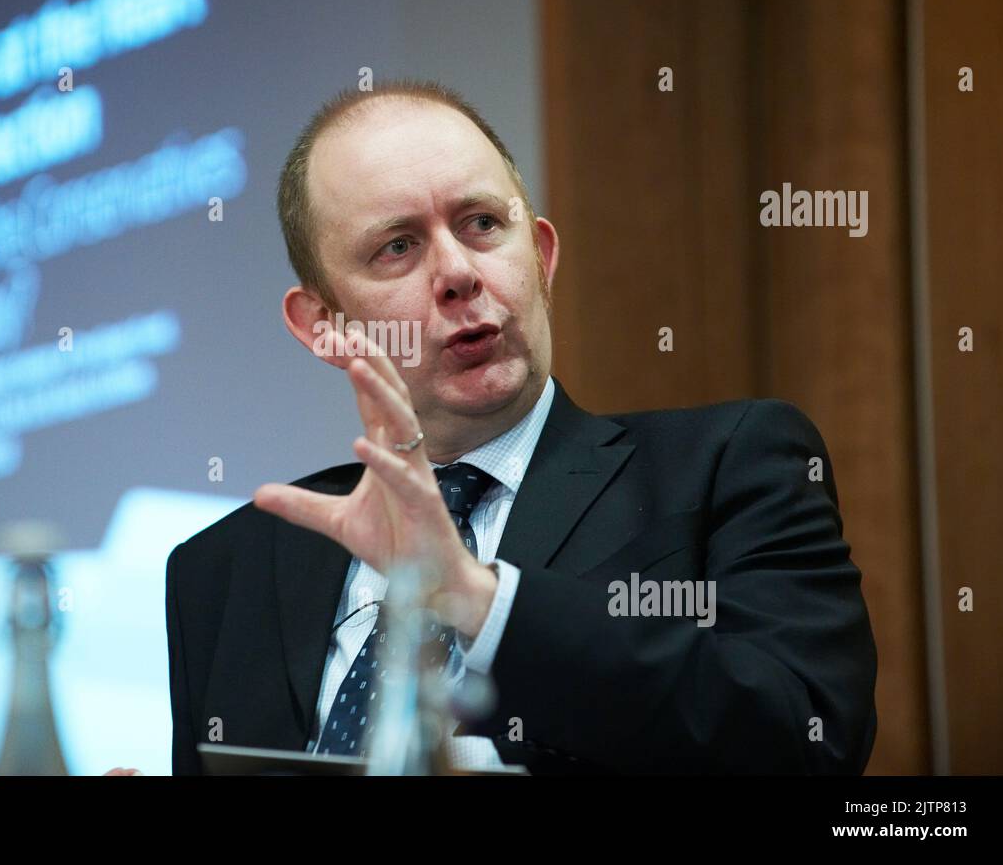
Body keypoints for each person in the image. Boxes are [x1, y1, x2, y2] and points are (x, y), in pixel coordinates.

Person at [110, 79, 877, 776]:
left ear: (540, 257)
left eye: (482, 223)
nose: (458, 273)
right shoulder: (223, 568)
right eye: (398, 246)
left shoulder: (726, 466)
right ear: (320, 324)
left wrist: (474, 599)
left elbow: (806, 736)